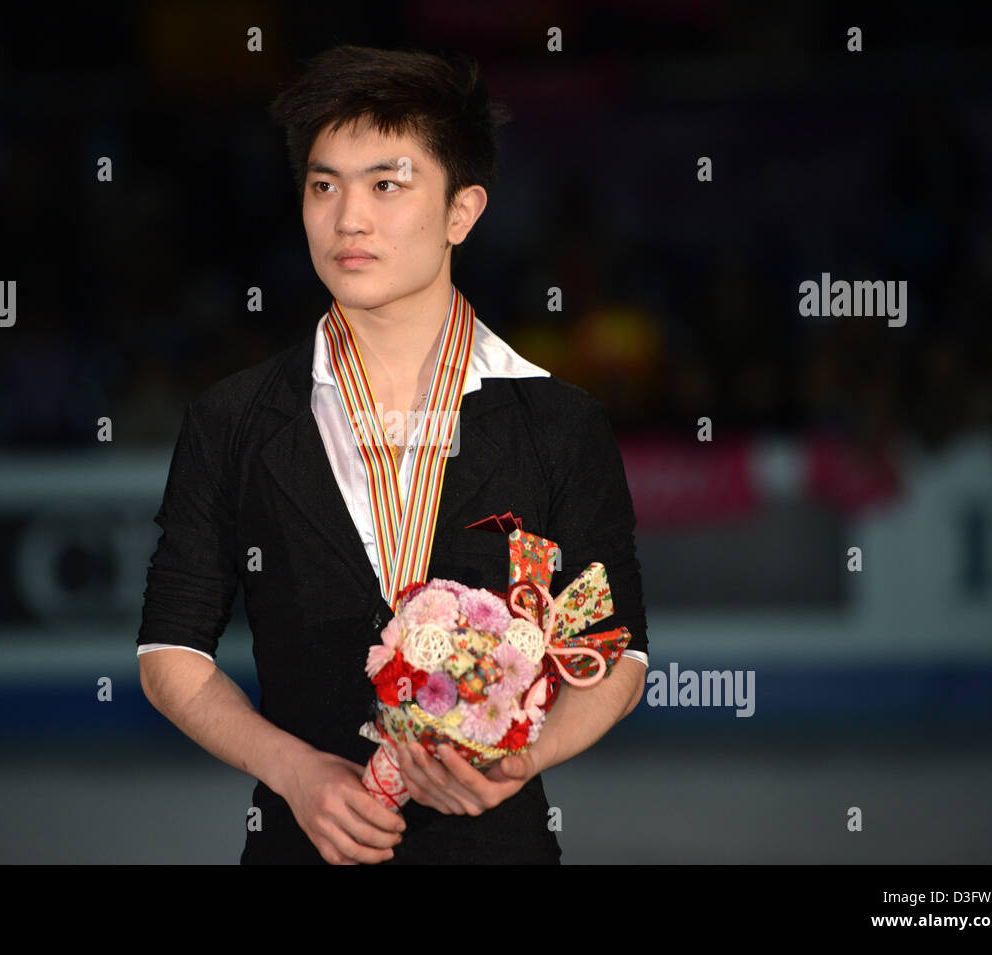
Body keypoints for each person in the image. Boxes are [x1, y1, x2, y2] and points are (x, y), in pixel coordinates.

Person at [137, 44, 649, 865]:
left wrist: (523, 759)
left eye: (386, 184)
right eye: (323, 184)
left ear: (462, 211)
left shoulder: (558, 421)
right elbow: (171, 650)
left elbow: (619, 650)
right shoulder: (233, 421)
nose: (348, 218)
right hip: (301, 845)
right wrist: (296, 772)